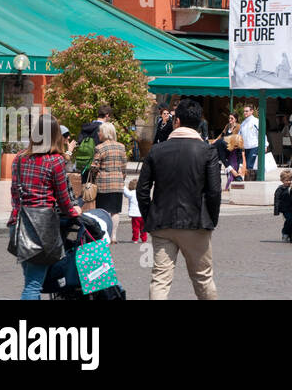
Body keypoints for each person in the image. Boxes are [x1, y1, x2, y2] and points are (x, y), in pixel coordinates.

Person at [137, 98, 221, 300]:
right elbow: (214, 191)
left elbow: (142, 189)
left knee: (160, 279)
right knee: (203, 278)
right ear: (199, 122)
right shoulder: (207, 151)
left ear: (177, 121)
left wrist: (150, 216)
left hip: (162, 222)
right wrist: (211, 219)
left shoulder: (157, 150)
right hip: (196, 222)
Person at [8, 114, 82, 300]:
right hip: (41, 228)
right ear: (56, 135)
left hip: (18, 224)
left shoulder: (19, 158)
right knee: (33, 286)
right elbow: (64, 199)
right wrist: (75, 211)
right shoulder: (55, 161)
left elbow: (15, 194)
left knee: (32, 280)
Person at [87, 121, 127, 243]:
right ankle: (113, 236)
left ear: (104, 133)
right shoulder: (121, 147)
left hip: (103, 184)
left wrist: (91, 172)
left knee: (103, 211)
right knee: (115, 211)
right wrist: (121, 178)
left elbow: (94, 167)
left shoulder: (100, 148)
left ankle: (104, 236)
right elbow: (124, 166)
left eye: (100, 131)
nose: (98, 133)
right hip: (117, 184)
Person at [273, 168, 292, 242]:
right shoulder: (280, 189)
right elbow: (277, 200)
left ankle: (290, 233)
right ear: (282, 180)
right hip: (285, 208)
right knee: (289, 220)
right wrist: (276, 211)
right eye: (286, 181)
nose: (288, 182)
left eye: (290, 180)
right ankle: (285, 232)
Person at [239, 105, 260, 175]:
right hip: (246, 147)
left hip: (254, 146)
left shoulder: (256, 121)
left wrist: (265, 145)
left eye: (247, 111)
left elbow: (262, 133)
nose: (245, 113)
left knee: (250, 165)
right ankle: (252, 180)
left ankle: (251, 182)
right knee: (249, 166)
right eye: (244, 111)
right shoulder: (243, 123)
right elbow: (240, 135)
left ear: (252, 111)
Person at [125, 176, 145, 243]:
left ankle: (135, 239)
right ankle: (144, 239)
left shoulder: (131, 193)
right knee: (143, 228)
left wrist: (122, 185)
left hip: (135, 214)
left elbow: (125, 192)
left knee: (135, 228)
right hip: (143, 214)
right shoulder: (143, 192)